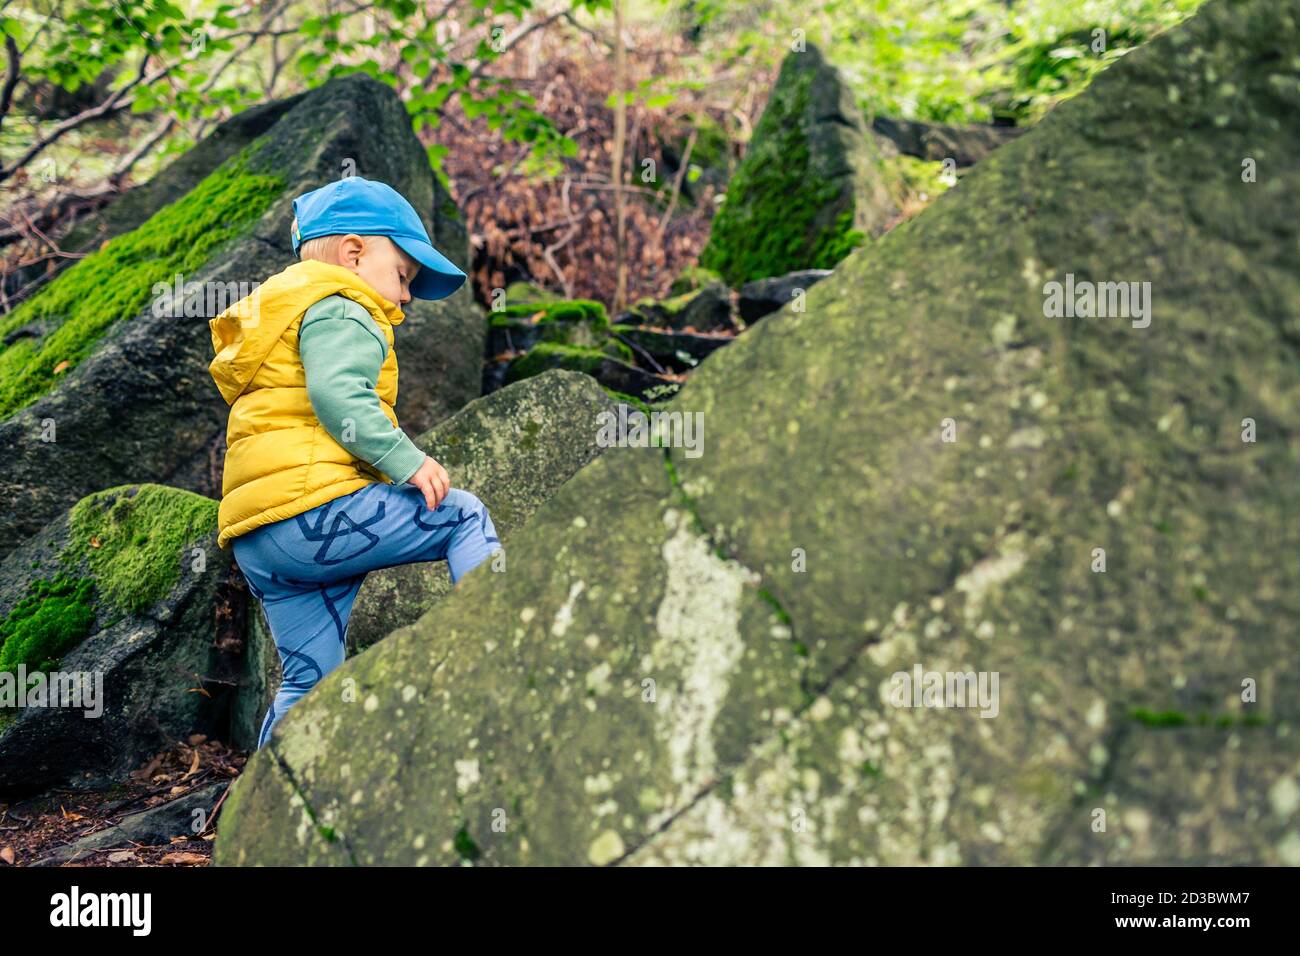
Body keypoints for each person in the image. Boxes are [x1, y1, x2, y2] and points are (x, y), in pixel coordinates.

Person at [208, 176, 499, 750]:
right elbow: (340, 396)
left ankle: (263, 821)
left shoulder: (284, 312)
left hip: (262, 539)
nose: (407, 296)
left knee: (311, 682)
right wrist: (406, 461)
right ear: (354, 254)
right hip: (312, 513)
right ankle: (496, 642)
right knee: (462, 515)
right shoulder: (342, 305)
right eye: (403, 276)